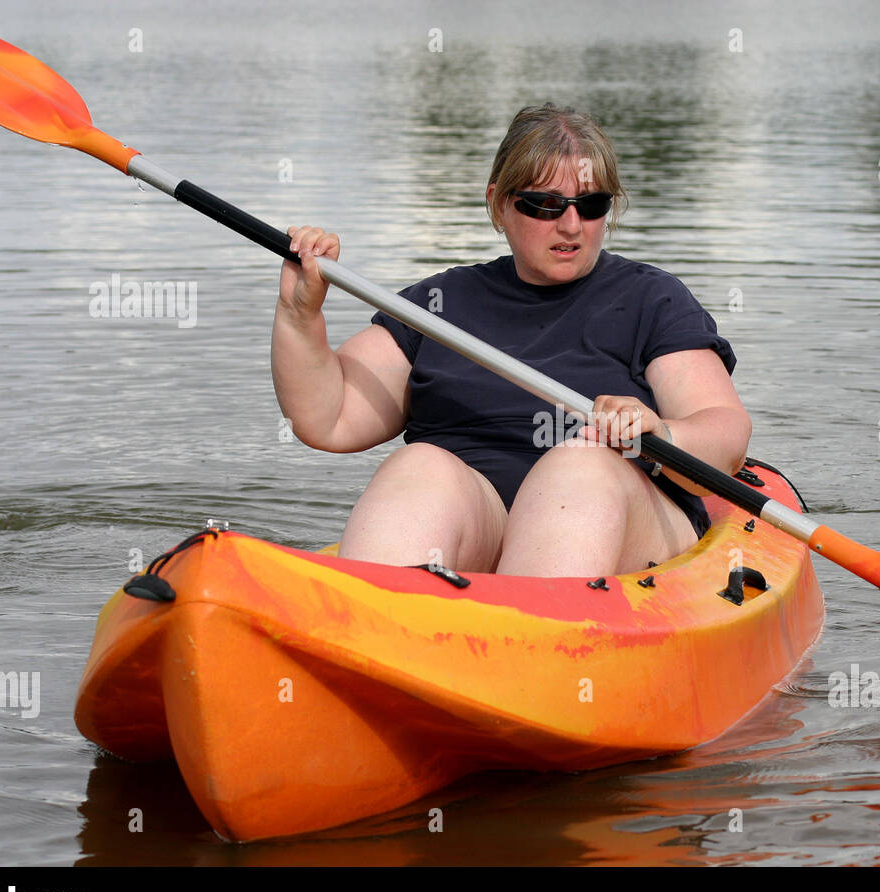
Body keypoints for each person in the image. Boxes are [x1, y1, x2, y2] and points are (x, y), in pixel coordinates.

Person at [271, 104, 751, 577]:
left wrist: (661, 434)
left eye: (590, 205)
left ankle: (537, 635)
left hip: (623, 521)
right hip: (482, 521)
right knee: (419, 465)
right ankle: (380, 624)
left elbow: (726, 433)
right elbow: (328, 419)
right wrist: (299, 315)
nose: (570, 225)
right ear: (500, 203)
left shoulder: (652, 299)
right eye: (545, 204)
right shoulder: (439, 303)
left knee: (577, 466)